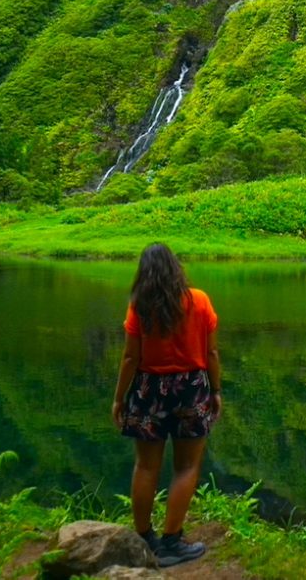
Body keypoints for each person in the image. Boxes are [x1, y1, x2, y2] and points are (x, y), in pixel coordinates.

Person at [111, 242, 222, 567]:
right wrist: (215, 390)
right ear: (175, 268)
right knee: (186, 467)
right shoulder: (199, 300)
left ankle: (145, 538)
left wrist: (120, 397)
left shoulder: (139, 306)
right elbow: (212, 352)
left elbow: (131, 357)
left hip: (148, 390)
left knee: (146, 466)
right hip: (191, 388)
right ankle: (172, 542)